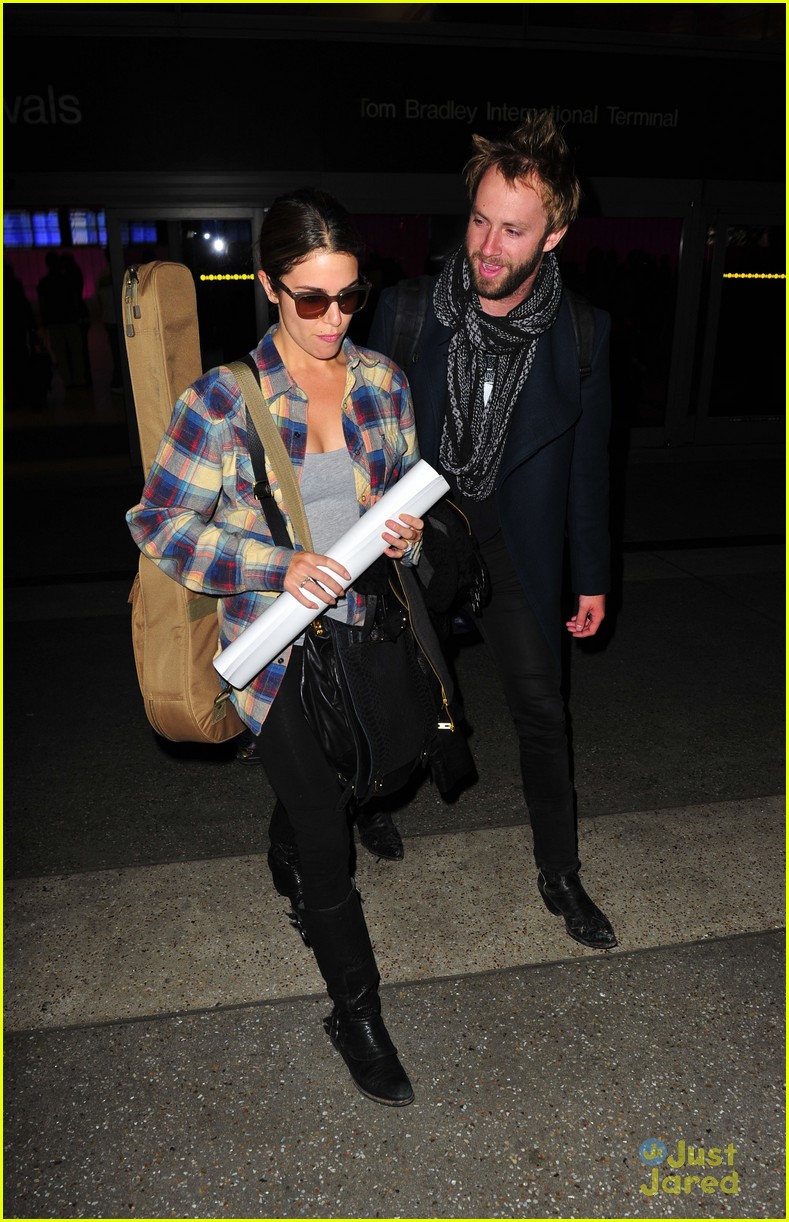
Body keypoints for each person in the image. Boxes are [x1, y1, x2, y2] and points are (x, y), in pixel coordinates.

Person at [127, 188, 426, 1106]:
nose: (334, 319)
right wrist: (273, 562)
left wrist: (406, 532)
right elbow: (158, 521)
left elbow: (396, 494)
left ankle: (288, 833)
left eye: (349, 296)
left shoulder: (382, 381)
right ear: (266, 285)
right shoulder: (221, 401)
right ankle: (357, 1014)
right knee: (328, 834)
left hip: (366, 635)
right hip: (275, 652)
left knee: (364, 777)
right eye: (311, 298)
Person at [368, 112, 617, 951]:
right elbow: (365, 446)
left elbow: (587, 466)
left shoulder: (581, 335)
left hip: (516, 542)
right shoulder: (408, 312)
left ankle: (560, 873)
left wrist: (591, 575)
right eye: (479, 220)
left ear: (553, 235)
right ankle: (368, 805)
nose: (486, 244)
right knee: (394, 690)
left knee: (542, 711)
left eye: (512, 229)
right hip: (417, 536)